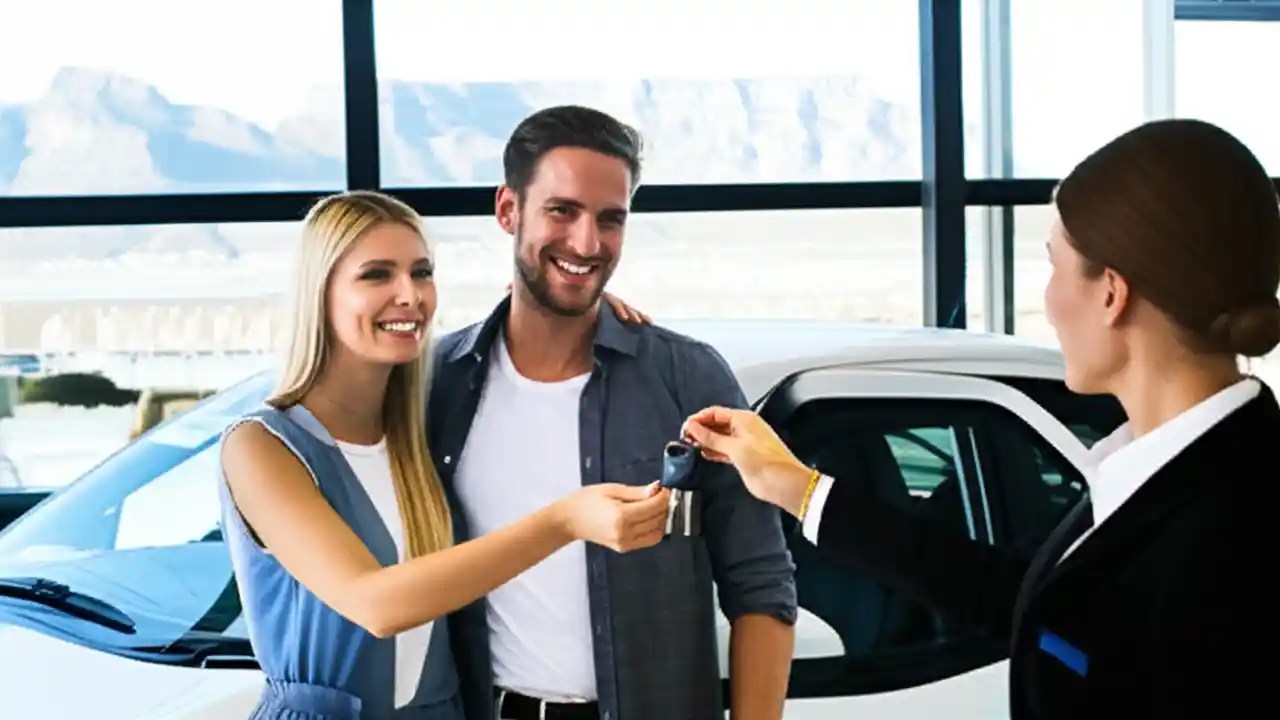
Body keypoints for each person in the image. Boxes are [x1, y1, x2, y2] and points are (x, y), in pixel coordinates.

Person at [682, 118, 1271, 719]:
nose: (1047, 300)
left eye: (1055, 266)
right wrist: (798, 488)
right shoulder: (1157, 475)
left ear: (1110, 294)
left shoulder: (1233, 538)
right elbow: (1028, 606)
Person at [216, 190, 671, 720]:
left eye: (421, 272)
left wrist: (578, 313)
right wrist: (565, 520)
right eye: (376, 275)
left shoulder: (427, 427)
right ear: (320, 295)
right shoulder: (261, 448)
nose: (409, 295)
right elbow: (376, 604)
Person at [428, 105, 797, 720]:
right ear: (508, 210)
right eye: (562, 211)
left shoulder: (686, 376)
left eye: (611, 219)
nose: (587, 243)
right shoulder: (441, 385)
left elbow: (761, 585)